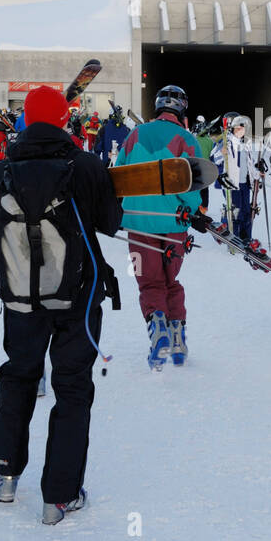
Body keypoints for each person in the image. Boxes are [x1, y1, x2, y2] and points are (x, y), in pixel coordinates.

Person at [0, 86, 122, 523]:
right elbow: (111, 223)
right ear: (65, 119)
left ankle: (4, 475)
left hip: (20, 296)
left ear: (24, 122)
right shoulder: (85, 165)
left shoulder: (2, 170)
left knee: (18, 375)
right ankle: (59, 496)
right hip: (76, 296)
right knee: (72, 387)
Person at [116, 85, 203, 370]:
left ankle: (158, 330)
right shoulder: (187, 139)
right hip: (175, 223)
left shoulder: (134, 136)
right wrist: (192, 212)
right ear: (182, 108)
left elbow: (118, 176)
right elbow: (194, 183)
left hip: (139, 223)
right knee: (170, 281)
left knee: (150, 282)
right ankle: (178, 338)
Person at [214, 113, 254, 242]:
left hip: (244, 182)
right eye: (237, 127)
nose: (240, 130)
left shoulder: (244, 143)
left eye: (241, 127)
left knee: (247, 210)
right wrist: (221, 153)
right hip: (231, 183)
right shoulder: (225, 141)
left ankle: (245, 236)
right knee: (235, 210)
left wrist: (255, 173)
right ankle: (231, 235)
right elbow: (214, 159)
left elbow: (248, 162)